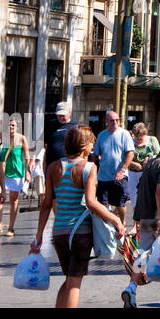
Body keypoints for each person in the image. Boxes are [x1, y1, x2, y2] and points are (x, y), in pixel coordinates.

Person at [31, 125, 125, 309]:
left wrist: (39, 235)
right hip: (80, 233)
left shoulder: (52, 167)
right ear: (84, 146)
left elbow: (46, 204)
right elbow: (91, 202)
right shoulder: (89, 167)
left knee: (69, 280)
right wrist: (115, 219)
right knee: (75, 283)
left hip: (59, 233)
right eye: (92, 143)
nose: (93, 147)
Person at [123, 132, 160, 308]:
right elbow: (159, 190)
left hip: (145, 216)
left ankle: (131, 288)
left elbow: (141, 188)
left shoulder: (151, 163)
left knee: (142, 255)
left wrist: (137, 218)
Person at [90, 110, 134, 229]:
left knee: (120, 203)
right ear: (106, 122)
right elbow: (95, 154)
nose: (115, 122)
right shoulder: (101, 135)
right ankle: (106, 226)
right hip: (103, 176)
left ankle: (123, 223)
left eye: (117, 120)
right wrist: (92, 170)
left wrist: (122, 170)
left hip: (120, 175)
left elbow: (130, 153)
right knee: (102, 203)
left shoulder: (124, 134)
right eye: (112, 120)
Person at [0, 116, 29, 237]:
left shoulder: (22, 139)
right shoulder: (2, 136)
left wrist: (28, 172)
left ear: (17, 127)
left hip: (16, 173)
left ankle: (11, 228)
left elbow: (27, 156)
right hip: (2, 173)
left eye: (13, 125)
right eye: (9, 125)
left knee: (13, 201)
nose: (10, 127)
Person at [124, 121, 158, 211]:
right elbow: (124, 156)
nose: (138, 139)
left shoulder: (152, 140)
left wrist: (148, 158)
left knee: (146, 195)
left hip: (147, 173)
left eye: (141, 138)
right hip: (132, 172)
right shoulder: (130, 142)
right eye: (136, 137)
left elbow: (158, 155)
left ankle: (145, 219)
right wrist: (132, 163)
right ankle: (136, 221)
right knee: (134, 197)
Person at [44, 101, 76, 169]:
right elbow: (42, 144)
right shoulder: (50, 125)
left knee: (66, 180)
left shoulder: (75, 127)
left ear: (69, 112)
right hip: (51, 164)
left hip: (68, 164)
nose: (61, 117)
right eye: (59, 115)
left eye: (63, 115)